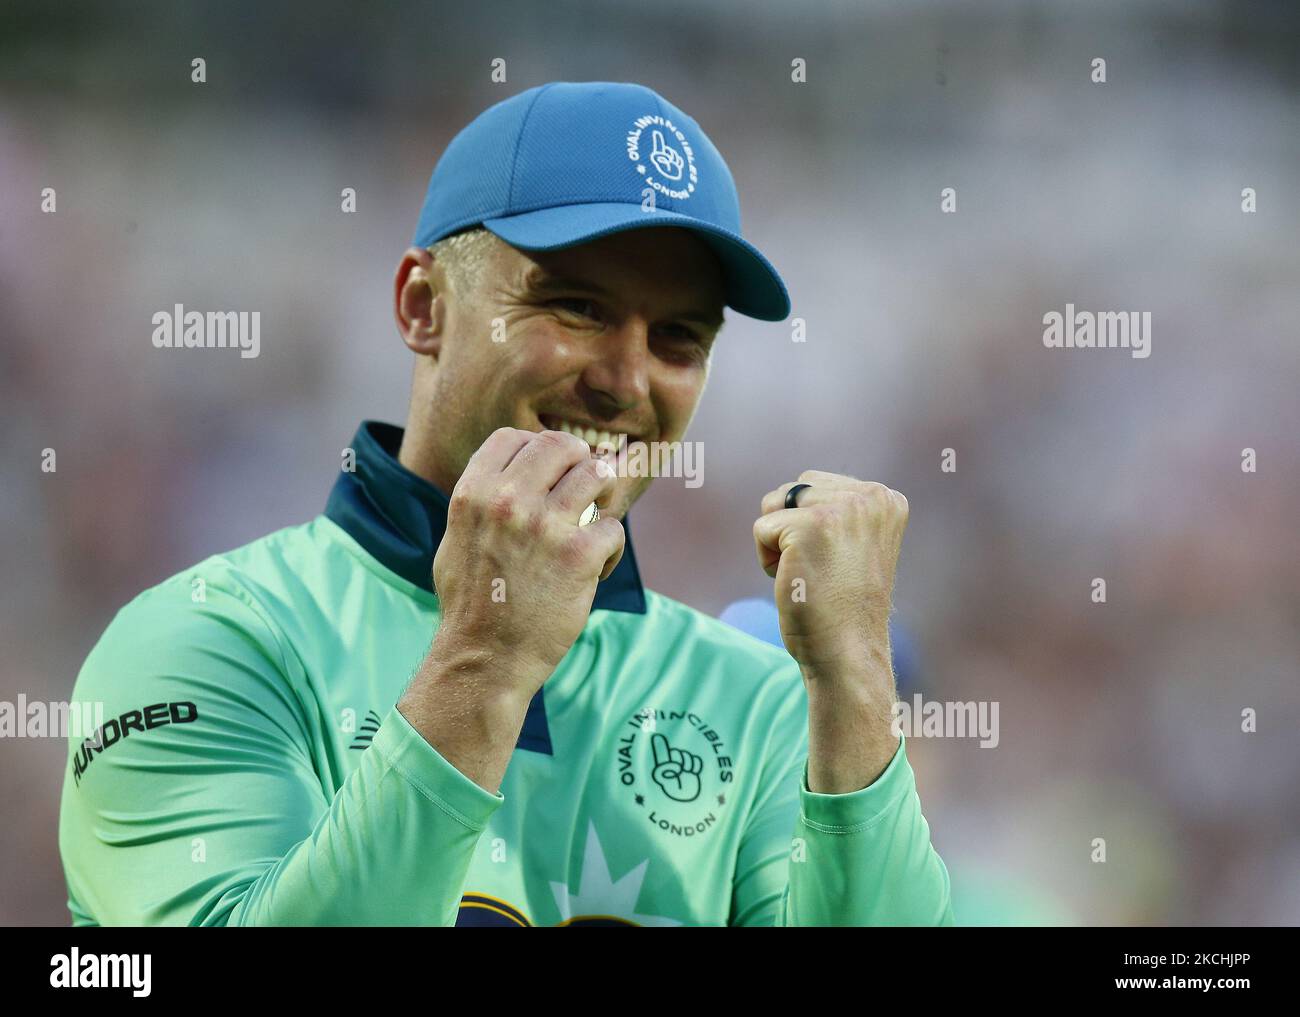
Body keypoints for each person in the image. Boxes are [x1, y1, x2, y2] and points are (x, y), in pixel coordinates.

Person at [59, 81, 953, 926]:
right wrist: (485, 657)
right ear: (423, 305)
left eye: (678, 336)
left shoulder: (756, 701)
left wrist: (856, 688)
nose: (625, 380)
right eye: (575, 308)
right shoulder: (211, 641)